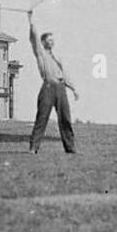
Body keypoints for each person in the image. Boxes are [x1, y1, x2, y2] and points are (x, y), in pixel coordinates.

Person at [28, 11, 78, 154]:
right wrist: (31, 23)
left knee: (65, 118)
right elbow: (34, 40)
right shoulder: (41, 54)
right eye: (49, 40)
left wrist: (73, 88)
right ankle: (33, 147)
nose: (52, 42)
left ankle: (70, 147)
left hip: (61, 89)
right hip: (48, 88)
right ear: (43, 42)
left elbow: (64, 74)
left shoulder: (57, 57)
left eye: (52, 40)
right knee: (42, 117)